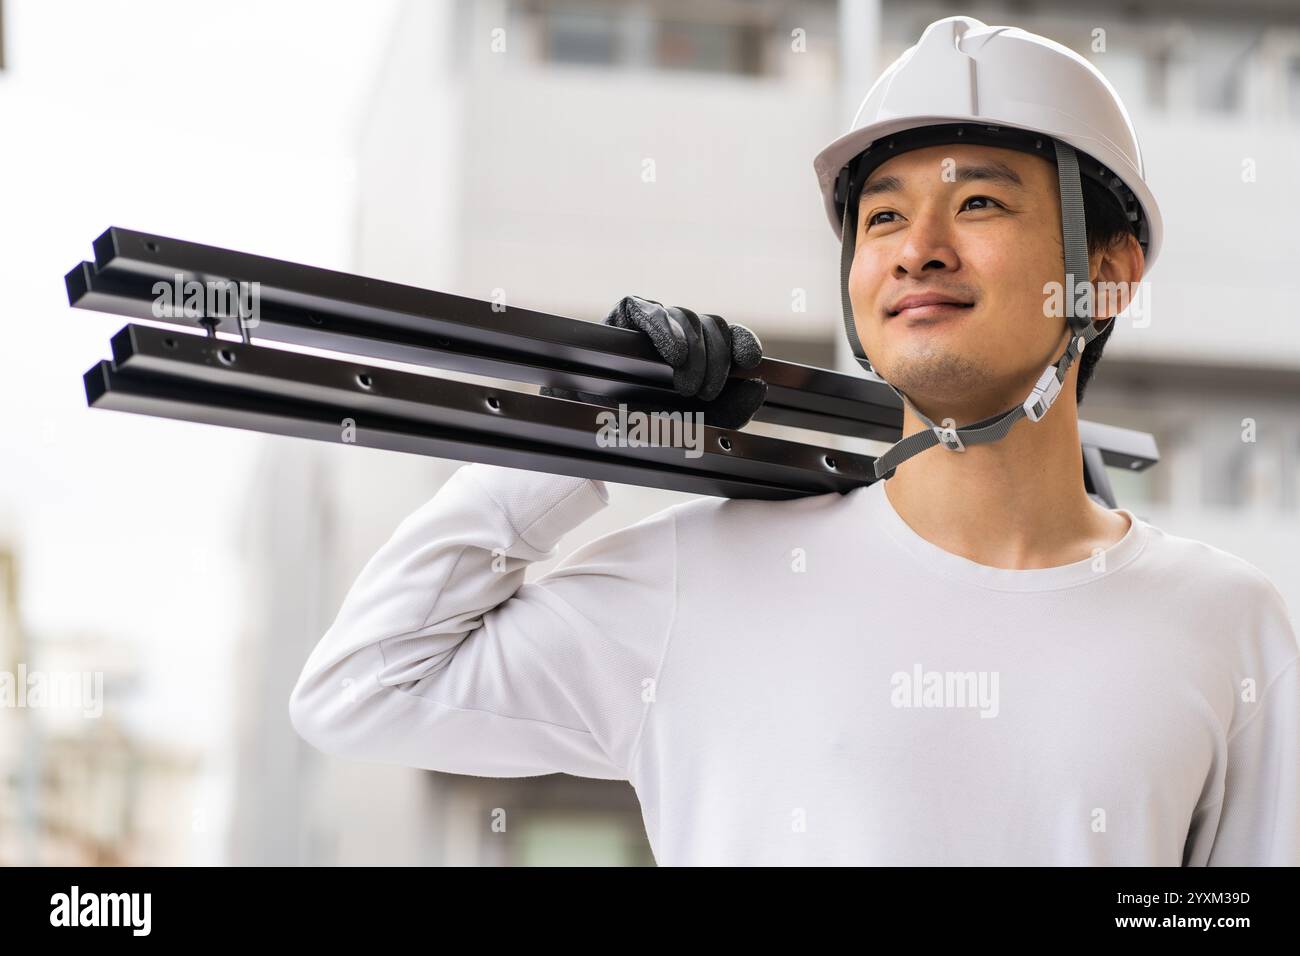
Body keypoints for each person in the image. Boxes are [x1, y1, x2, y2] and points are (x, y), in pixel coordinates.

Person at [289, 16, 1298, 865]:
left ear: (1105, 275)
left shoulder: (1225, 622)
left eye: (979, 200)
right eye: (883, 215)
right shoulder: (707, 574)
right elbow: (360, 692)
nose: (917, 248)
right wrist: (570, 427)